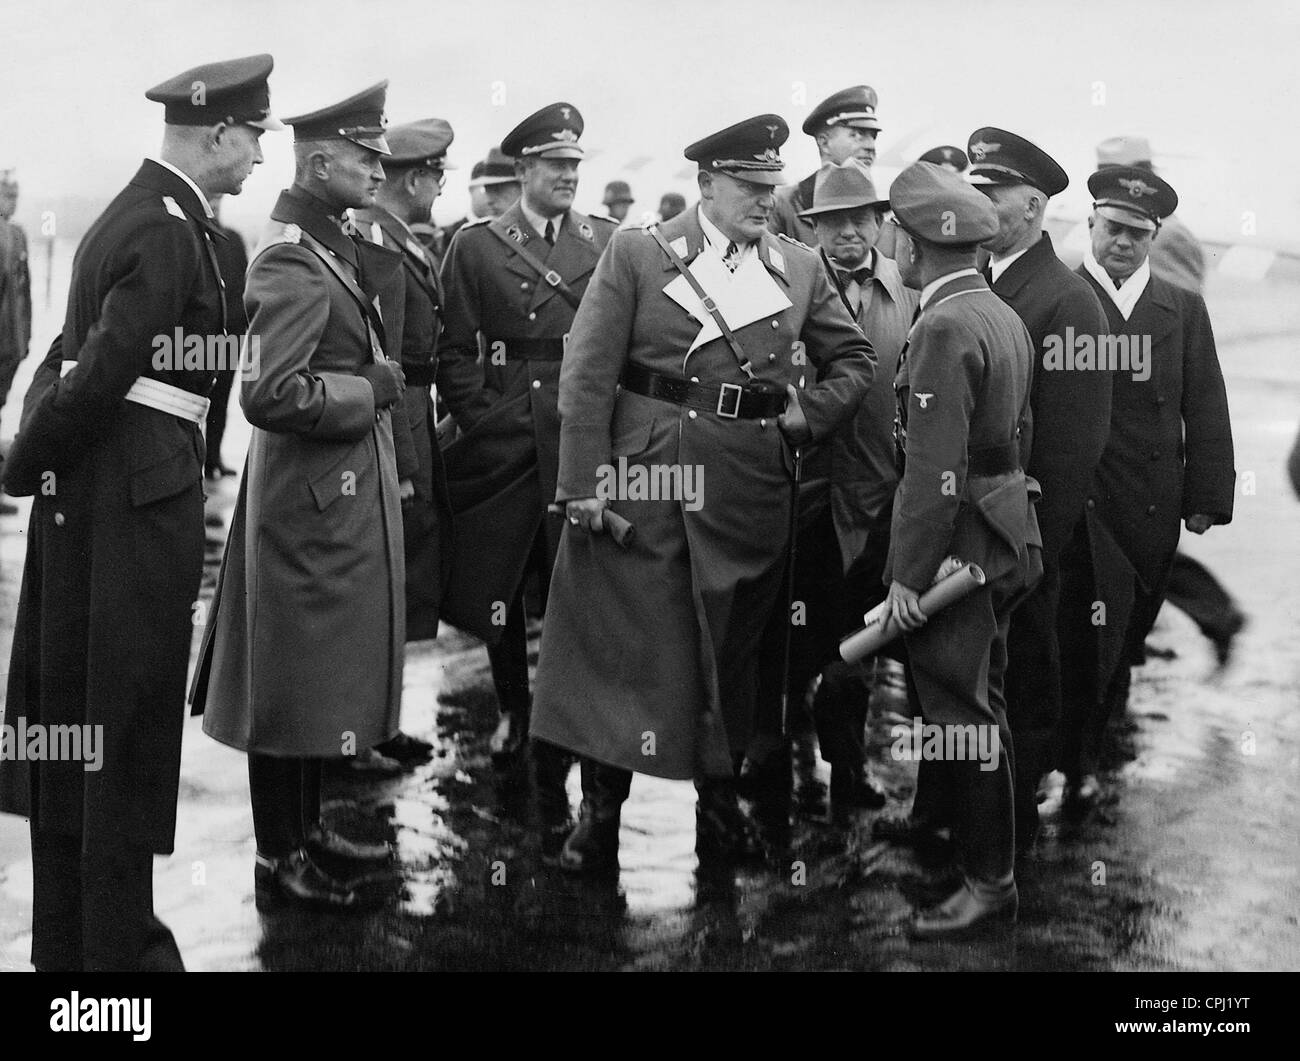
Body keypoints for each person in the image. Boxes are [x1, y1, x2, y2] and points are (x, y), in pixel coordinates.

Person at [528, 115, 875, 877]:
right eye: (748, 187)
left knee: (732, 653)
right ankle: (599, 816)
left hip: (749, 488)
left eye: (769, 187)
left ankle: (719, 814)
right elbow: (586, 376)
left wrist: (804, 416)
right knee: (621, 650)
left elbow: (855, 359)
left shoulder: (799, 265)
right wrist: (581, 484)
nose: (763, 200)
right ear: (707, 185)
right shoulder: (639, 253)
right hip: (644, 482)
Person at [0, 54, 279, 970]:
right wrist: (26, 461)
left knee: (77, 722)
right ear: (216, 133)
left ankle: (73, 947)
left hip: (101, 495)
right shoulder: (165, 231)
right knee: (119, 723)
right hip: (132, 502)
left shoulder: (142, 215)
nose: (257, 161)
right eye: (253, 141)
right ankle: (121, 958)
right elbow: (101, 368)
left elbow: (63, 360)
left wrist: (35, 463)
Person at [190, 82, 408, 911]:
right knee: (285, 681)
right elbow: (270, 394)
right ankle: (279, 854)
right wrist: (371, 388)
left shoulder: (329, 244)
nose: (380, 171)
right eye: (367, 157)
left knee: (320, 674)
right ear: (320, 161)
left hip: (331, 497)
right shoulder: (289, 255)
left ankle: (308, 830)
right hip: (306, 504)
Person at [436, 102, 616, 846]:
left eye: (576, 166)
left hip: (577, 429)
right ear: (524, 172)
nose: (569, 177)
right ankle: (515, 708)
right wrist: (484, 416)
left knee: (579, 580)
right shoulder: (475, 246)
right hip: (510, 433)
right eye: (555, 167)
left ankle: (570, 719)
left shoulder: (607, 240)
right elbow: (451, 350)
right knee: (505, 582)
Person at [884, 161, 1042, 938]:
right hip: (1003, 533)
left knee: (965, 717)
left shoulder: (945, 324)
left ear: (915, 248)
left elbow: (932, 473)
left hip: (958, 553)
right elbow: (1018, 437)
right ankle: (991, 872)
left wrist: (907, 580)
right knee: (990, 706)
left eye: (894, 232)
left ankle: (989, 885)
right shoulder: (998, 312)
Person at [1056, 165, 1235, 808]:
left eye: (1137, 233)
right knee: (1080, 633)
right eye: (1112, 229)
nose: (1123, 243)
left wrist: (1207, 498)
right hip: (1080, 500)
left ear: (1154, 237)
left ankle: (1093, 750)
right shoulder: (1064, 298)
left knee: (1127, 632)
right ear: (1092, 226)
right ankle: (1074, 764)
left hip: (1152, 501)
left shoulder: (1180, 308)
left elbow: (1206, 404)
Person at [749, 160, 915, 824]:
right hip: (801, 493)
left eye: (858, 220)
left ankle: (847, 768)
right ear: (813, 228)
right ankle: (765, 769)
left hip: (876, 493)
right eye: (832, 222)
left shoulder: (906, 289)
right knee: (785, 640)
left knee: (858, 647)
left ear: (879, 224)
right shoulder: (784, 287)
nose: (847, 233)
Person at [965, 128, 1111, 851]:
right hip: (973, 542)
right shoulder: (981, 284)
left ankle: (1010, 841)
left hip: (1019, 551)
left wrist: (1030, 558)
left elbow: (1071, 449)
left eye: (990, 193)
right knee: (971, 687)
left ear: (1032, 206)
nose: (977, 203)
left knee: (1021, 686)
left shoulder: (1067, 301)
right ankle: (962, 828)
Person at [1096, 135, 1244, 666]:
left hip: (1149, 406)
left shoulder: (1169, 238)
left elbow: (1176, 318)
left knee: (1138, 543)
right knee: (1119, 546)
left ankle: (1212, 613)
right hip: (1123, 423)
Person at [353, 117, 457, 766]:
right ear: (414, 178)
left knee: (397, 577)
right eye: (437, 174)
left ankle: (378, 722)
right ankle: (360, 731)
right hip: (399, 418)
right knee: (379, 578)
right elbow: (384, 359)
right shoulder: (378, 244)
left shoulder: (396, 239)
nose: (441, 185)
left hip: (415, 412)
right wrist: (404, 461)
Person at [770, 84, 881, 246]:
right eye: (857, 135)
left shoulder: (879, 210)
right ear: (824, 143)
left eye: (873, 137)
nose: (870, 146)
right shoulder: (783, 205)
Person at [202, 194, 249, 479]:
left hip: (230, 335)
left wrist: (241, 328)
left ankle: (213, 460)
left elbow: (245, 286)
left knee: (222, 400)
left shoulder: (233, 239)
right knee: (196, 398)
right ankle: (196, 462)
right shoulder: (192, 237)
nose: (215, 210)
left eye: (218, 205)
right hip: (198, 338)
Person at [0, 169, 32, 515]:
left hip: (11, 342)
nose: (11, 202)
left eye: (14, 195)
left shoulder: (18, 235)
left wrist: (26, 335)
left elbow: (24, 290)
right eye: (6, 195)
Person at [440, 146, 519, 250]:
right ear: (470, 190)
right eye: (486, 190)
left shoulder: (536, 233)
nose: (490, 199)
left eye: (498, 190)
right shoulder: (458, 236)